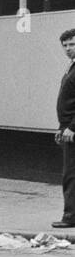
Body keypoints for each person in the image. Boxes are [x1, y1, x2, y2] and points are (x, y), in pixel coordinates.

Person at [52, 27, 75, 228]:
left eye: (72, 44)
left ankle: (70, 217)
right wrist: (62, 127)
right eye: (65, 45)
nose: (68, 48)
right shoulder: (72, 66)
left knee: (71, 174)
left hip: (73, 132)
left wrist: (72, 127)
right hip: (68, 130)